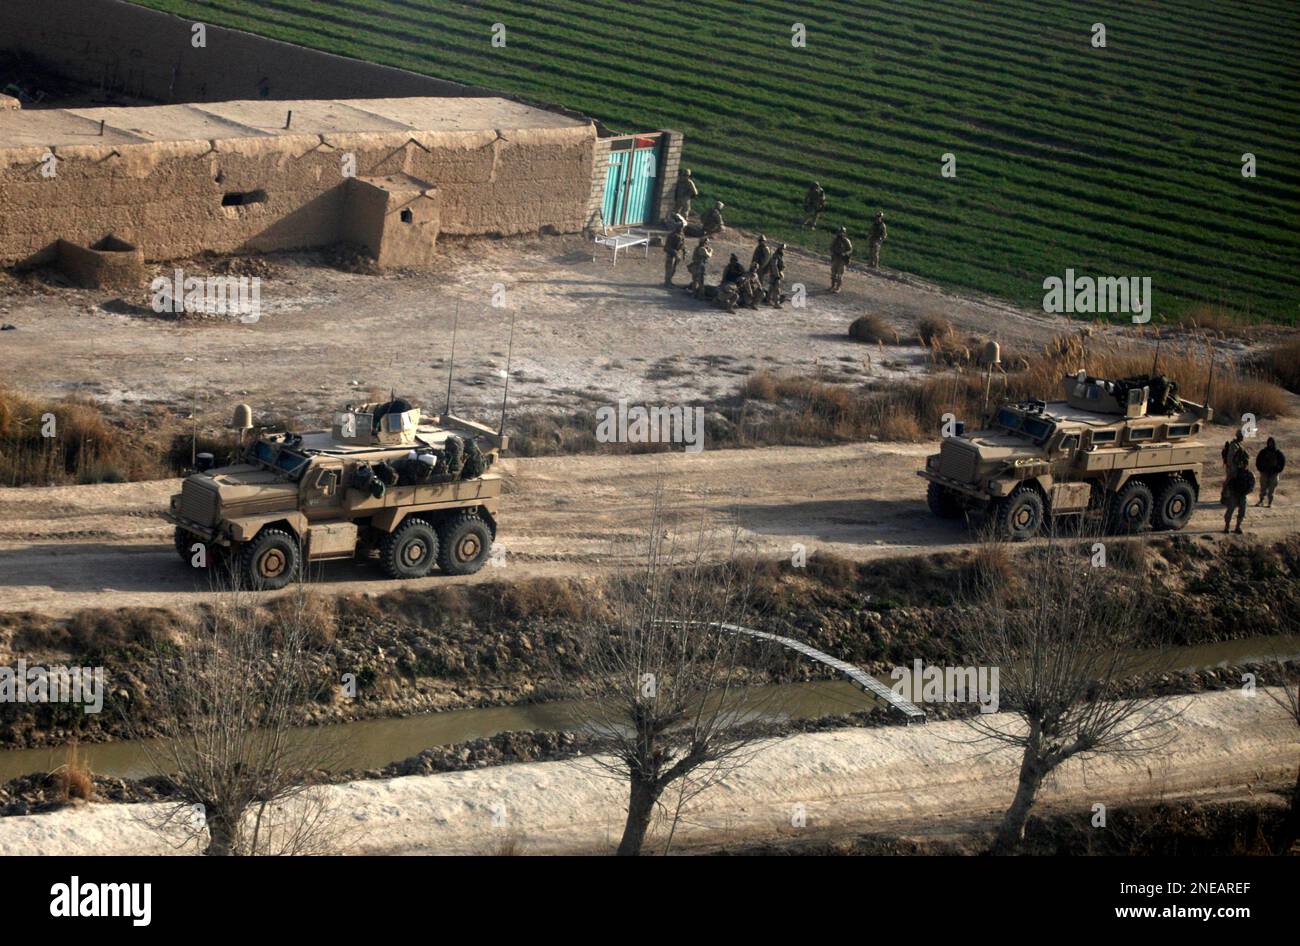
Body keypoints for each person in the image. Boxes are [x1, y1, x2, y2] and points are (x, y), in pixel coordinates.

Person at [1223, 454, 1254, 534]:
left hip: (1242, 495)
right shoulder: (1235, 472)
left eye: (1245, 464)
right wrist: (1227, 492)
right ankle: (1227, 526)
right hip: (1234, 494)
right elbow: (1228, 482)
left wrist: (1246, 492)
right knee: (1230, 511)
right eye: (1243, 464)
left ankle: (1237, 527)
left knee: (1242, 512)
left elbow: (1252, 485)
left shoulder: (1249, 474)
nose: (1244, 465)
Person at [1256, 437, 1285, 507]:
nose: (1270, 444)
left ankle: (1270, 503)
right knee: (1263, 488)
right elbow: (1258, 461)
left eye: (1272, 443)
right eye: (1269, 442)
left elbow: (1282, 462)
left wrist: (1277, 470)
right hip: (1264, 472)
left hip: (1274, 473)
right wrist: (1261, 469)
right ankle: (1261, 501)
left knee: (1271, 489)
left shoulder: (1278, 453)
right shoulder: (1263, 452)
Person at [830, 226, 853, 293]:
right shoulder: (835, 240)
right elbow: (831, 247)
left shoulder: (846, 241)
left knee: (840, 274)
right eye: (839, 232)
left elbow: (850, 250)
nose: (839, 234)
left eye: (841, 232)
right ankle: (832, 286)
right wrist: (832, 253)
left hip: (842, 259)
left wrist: (845, 253)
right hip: (836, 258)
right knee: (833, 273)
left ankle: (838, 287)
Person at [663, 222, 686, 286]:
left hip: (677, 254)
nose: (681, 228)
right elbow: (667, 247)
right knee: (669, 269)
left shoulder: (681, 235)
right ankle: (667, 283)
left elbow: (683, 244)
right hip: (671, 254)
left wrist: (684, 252)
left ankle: (669, 281)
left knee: (674, 269)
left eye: (682, 227)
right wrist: (675, 253)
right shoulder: (672, 235)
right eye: (680, 227)